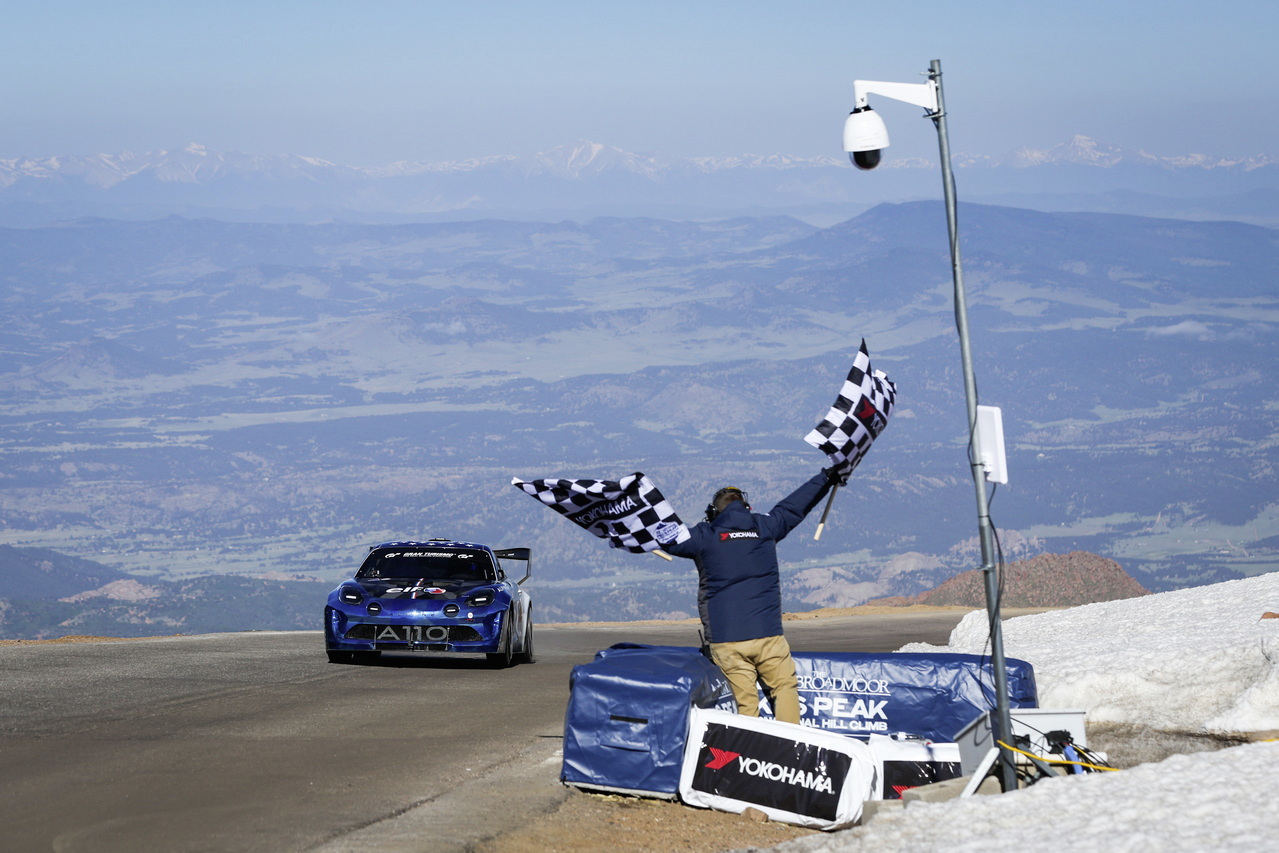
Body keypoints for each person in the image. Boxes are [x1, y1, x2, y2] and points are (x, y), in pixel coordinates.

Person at [659, 468, 839, 724]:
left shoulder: (704, 536)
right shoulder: (765, 526)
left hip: (727, 640)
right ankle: (791, 750)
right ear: (747, 507)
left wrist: (620, 524)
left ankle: (750, 755)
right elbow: (795, 505)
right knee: (785, 689)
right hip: (768, 634)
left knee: (745, 706)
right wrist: (827, 477)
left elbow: (663, 535)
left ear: (713, 513)